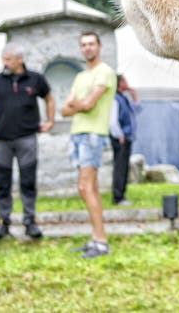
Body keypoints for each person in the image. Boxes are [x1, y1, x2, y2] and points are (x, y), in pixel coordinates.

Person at [0, 43, 54, 240]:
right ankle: (3, 222)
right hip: (1, 140)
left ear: (20, 59)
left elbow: (49, 98)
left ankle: (30, 222)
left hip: (27, 138)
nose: (5, 63)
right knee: (2, 183)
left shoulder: (36, 79)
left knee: (28, 181)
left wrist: (50, 121)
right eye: (3, 59)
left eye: (8, 59)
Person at [61, 31, 116, 259]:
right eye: (83, 45)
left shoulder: (105, 72)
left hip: (92, 135)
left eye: (91, 44)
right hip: (77, 134)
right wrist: (77, 104)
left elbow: (88, 104)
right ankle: (96, 238)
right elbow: (65, 110)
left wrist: (77, 104)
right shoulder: (81, 76)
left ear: (99, 47)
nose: (88, 48)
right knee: (87, 188)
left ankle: (101, 242)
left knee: (85, 188)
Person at [108, 74, 141, 206]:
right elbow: (112, 121)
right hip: (120, 138)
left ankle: (121, 194)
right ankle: (118, 197)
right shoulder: (115, 99)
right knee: (120, 167)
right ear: (119, 83)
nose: (127, 83)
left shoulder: (123, 98)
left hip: (126, 137)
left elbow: (136, 110)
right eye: (125, 80)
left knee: (124, 167)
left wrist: (134, 95)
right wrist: (120, 135)